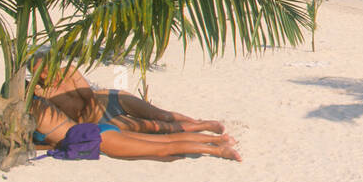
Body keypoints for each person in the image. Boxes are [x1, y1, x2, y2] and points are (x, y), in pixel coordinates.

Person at [32, 60, 225, 135]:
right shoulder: (41, 93)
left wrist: (87, 110)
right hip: (100, 119)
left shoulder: (69, 71)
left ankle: (196, 122)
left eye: (48, 69)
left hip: (110, 100)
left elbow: (89, 96)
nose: (47, 74)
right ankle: (203, 127)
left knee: (161, 115)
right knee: (153, 127)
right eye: (41, 73)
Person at [27, 95, 241, 161]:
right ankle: (216, 140)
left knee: (164, 148)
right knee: (164, 143)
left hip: (97, 139)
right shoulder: (41, 104)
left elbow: (52, 142)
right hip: (98, 130)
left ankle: (218, 149)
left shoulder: (31, 113)